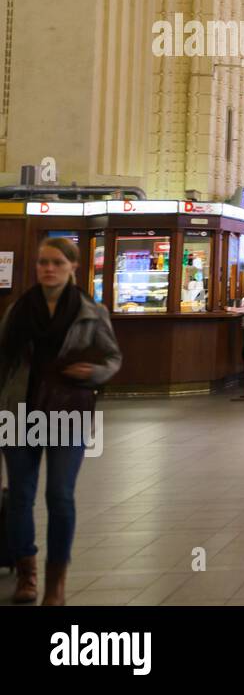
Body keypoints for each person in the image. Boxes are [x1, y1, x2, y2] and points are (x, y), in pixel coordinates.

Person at [0, 237, 121, 605]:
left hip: (67, 410)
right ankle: (27, 573)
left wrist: (94, 371)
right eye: (41, 263)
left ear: (72, 267)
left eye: (56, 262)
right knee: (20, 495)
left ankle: (56, 582)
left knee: (60, 495)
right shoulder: (18, 310)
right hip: (19, 412)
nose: (47, 269)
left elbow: (112, 358)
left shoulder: (90, 311)